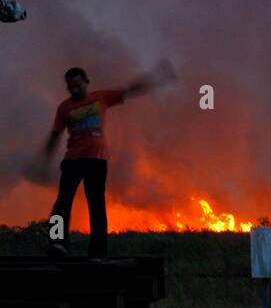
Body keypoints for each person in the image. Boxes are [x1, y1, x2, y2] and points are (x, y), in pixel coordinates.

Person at [41, 60, 175, 257]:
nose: (75, 90)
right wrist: (44, 158)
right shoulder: (64, 108)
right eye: (70, 87)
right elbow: (55, 134)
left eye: (78, 85)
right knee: (62, 203)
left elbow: (129, 90)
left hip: (97, 160)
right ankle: (57, 244)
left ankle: (97, 252)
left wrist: (153, 79)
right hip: (72, 161)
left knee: (96, 205)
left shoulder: (100, 97)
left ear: (87, 82)